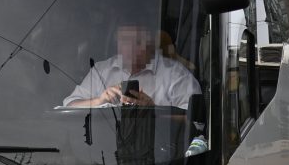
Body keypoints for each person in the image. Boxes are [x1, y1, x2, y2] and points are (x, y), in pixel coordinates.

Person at [63, 25, 200, 109]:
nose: (131, 49)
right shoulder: (101, 71)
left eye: (138, 42)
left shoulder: (174, 73)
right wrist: (99, 101)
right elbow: (69, 105)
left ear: (150, 44)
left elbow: (195, 119)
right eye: (125, 41)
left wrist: (154, 110)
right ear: (116, 42)